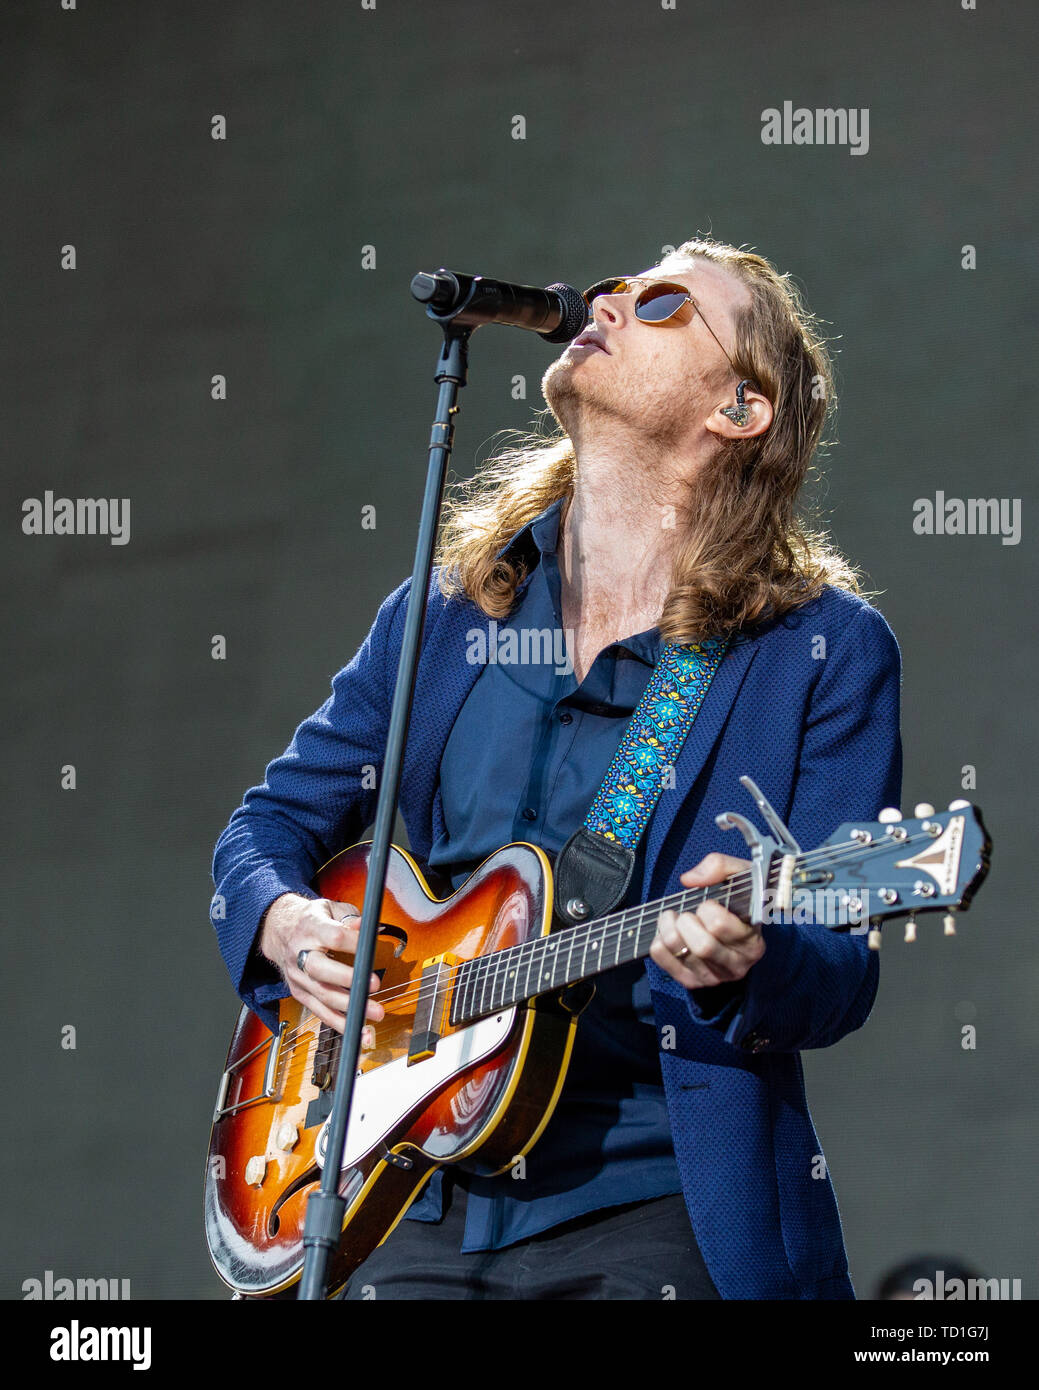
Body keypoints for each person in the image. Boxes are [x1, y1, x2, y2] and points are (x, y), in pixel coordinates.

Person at [211, 235, 902, 1300]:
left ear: (737, 410)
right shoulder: (444, 614)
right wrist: (285, 923)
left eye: (665, 304)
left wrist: (749, 956)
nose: (614, 298)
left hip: (654, 1201)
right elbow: (265, 830)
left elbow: (837, 968)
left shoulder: (817, 649)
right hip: (410, 1199)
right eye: (619, 284)